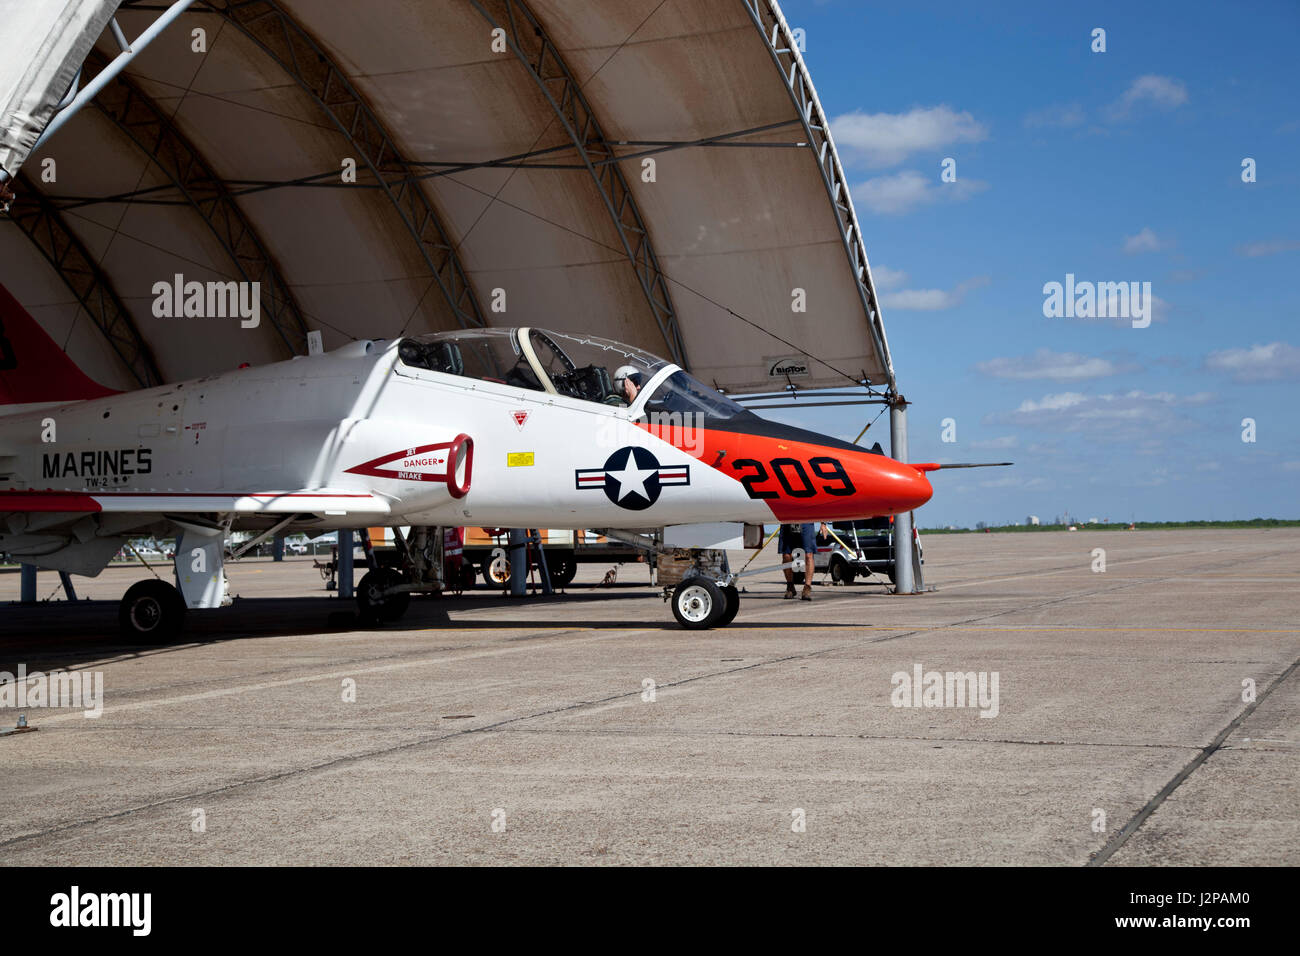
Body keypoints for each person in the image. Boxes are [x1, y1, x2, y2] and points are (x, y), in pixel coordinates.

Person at [779, 522, 817, 600]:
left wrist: (823, 523)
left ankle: (807, 587)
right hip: (787, 520)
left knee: (808, 554)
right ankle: (790, 586)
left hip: (806, 520)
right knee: (786, 555)